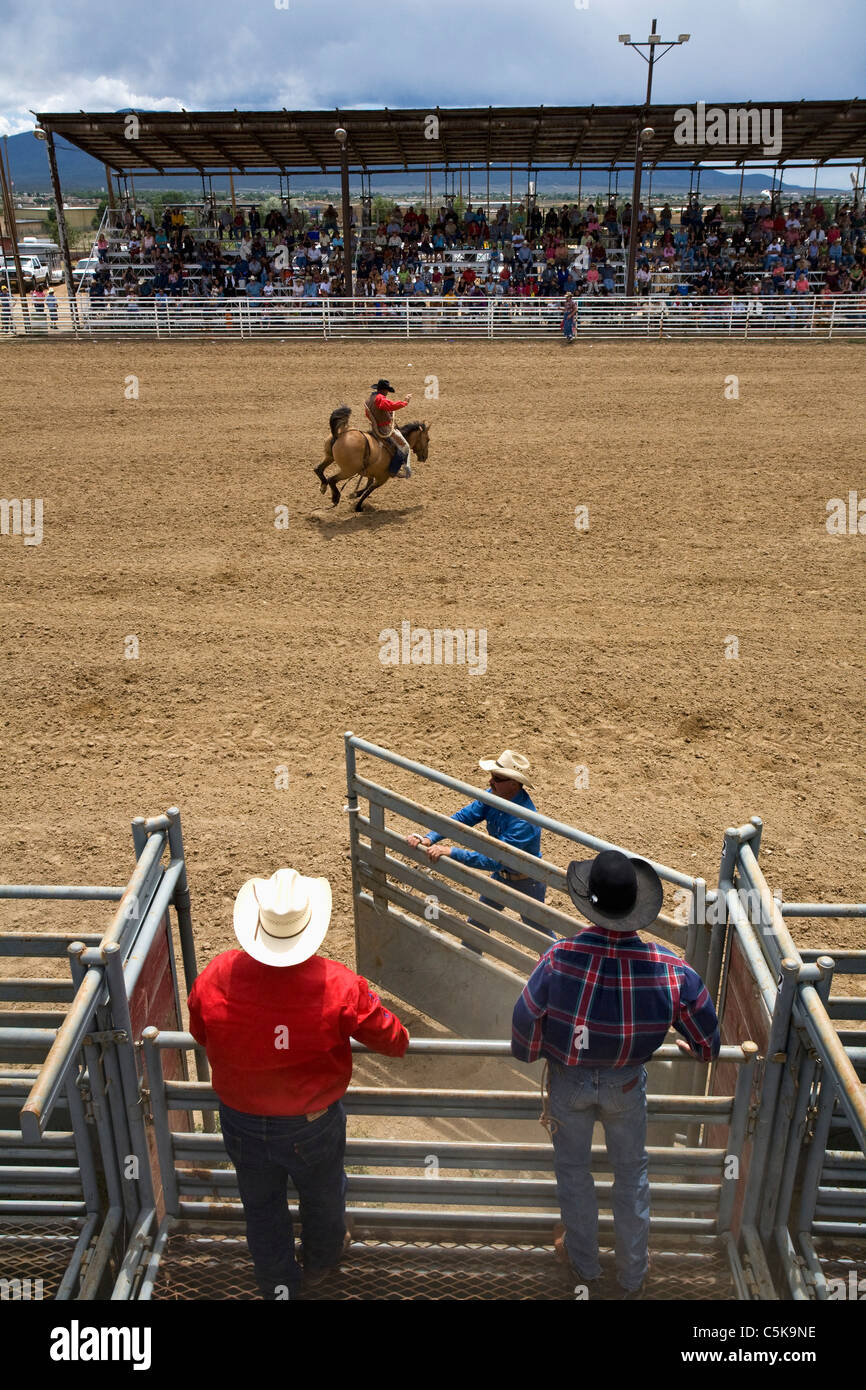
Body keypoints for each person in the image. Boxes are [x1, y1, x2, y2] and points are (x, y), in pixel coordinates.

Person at [188, 866, 409, 1299]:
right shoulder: (339, 984)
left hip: (242, 1118)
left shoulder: (217, 975)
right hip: (312, 1122)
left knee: (261, 1205)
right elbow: (394, 1041)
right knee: (323, 1195)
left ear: (257, 925)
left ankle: (277, 1284)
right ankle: (321, 1266)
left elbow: (201, 1032)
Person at [511, 849, 720, 1299]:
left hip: (569, 1081)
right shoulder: (670, 969)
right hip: (626, 1083)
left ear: (590, 903)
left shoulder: (559, 957)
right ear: (635, 908)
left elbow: (526, 1017)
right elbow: (708, 1039)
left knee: (573, 1170)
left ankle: (585, 1267)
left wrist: (536, 1051)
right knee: (631, 1174)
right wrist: (696, 1048)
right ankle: (632, 1276)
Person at [407, 750, 550, 939]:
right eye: (492, 776)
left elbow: (494, 859)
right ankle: (469, 959)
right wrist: (430, 837)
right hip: (505, 875)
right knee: (477, 922)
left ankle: (564, 967)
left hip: (526, 882)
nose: (490, 781)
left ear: (514, 784)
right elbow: (463, 818)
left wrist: (452, 852)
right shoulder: (493, 796)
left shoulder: (524, 821)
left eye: (497, 778)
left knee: (539, 936)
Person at [364, 377, 413, 478]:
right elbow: (390, 405)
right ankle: (393, 470)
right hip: (384, 429)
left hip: (375, 427)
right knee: (405, 446)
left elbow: (369, 413)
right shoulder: (380, 399)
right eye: (387, 391)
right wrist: (405, 402)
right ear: (384, 390)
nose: (387, 393)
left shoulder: (370, 399)